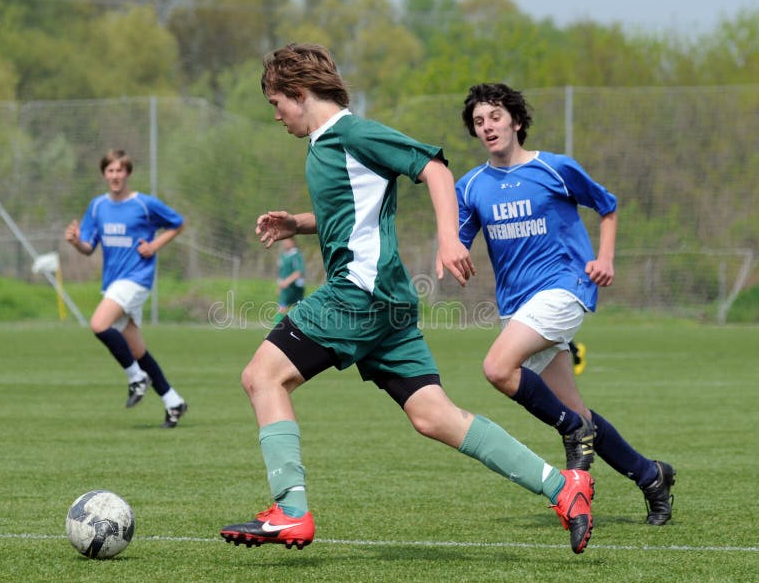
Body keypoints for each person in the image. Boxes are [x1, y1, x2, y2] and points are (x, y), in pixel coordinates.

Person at [219, 43, 595, 554]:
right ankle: (563, 487)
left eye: (276, 104)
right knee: (433, 416)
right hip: (387, 303)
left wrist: (448, 237)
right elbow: (357, 212)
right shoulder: (327, 144)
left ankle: (290, 510)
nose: (277, 115)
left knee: (261, 376)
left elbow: (435, 169)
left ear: (300, 93)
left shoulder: (351, 132)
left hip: (359, 293)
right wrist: (300, 224)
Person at [455, 83, 674, 524]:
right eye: (479, 122)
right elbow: (457, 239)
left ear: (516, 122)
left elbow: (607, 207)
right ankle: (651, 475)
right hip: (515, 305)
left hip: (565, 287)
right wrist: (451, 252)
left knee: (498, 368)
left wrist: (605, 258)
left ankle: (573, 435)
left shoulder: (555, 169)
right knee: (577, 410)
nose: (487, 127)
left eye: (495, 117)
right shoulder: (471, 186)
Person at [64, 149, 189, 429]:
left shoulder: (144, 204)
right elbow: (87, 248)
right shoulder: (97, 207)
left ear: (128, 173)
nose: (115, 176)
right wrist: (74, 242)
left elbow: (177, 223)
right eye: (110, 171)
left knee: (98, 324)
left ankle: (136, 377)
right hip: (113, 282)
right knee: (138, 351)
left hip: (136, 278)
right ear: (104, 174)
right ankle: (173, 401)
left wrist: (154, 246)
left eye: (120, 170)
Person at [273, 237, 305, 323]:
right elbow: (281, 272)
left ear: (292, 242)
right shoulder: (283, 256)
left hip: (295, 288)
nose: (285, 243)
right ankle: (276, 332)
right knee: (281, 308)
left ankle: (300, 332)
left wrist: (287, 281)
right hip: (285, 289)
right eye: (284, 241)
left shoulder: (296, 255)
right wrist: (280, 286)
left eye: (287, 241)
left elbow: (299, 272)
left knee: (298, 310)